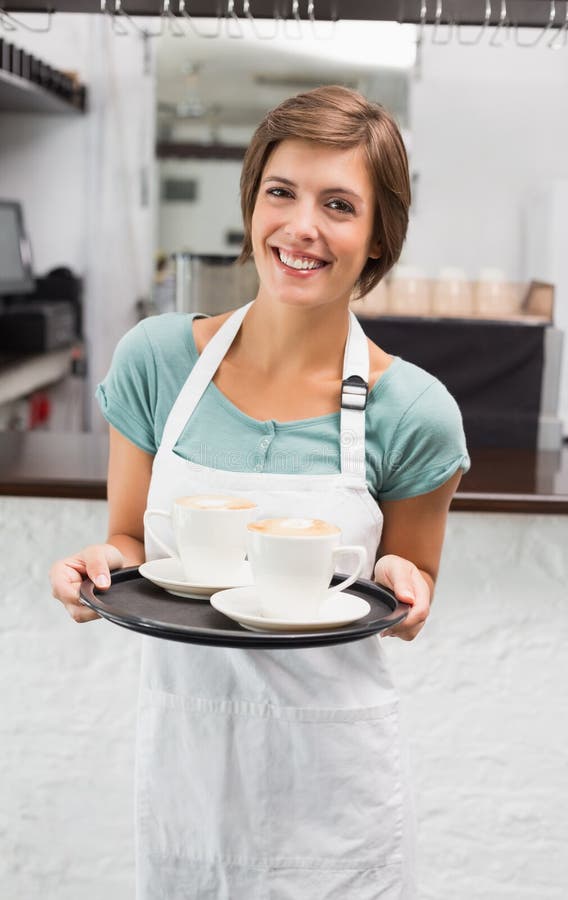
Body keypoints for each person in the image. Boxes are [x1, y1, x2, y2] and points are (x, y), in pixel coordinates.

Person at [50, 86, 470, 898]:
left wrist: (406, 586)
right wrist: (96, 567)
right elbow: (132, 544)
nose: (301, 227)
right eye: (281, 192)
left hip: (335, 782)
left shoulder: (414, 410)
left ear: (380, 234)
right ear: (251, 203)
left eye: (339, 204)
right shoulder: (157, 362)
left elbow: (407, 597)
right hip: (188, 773)